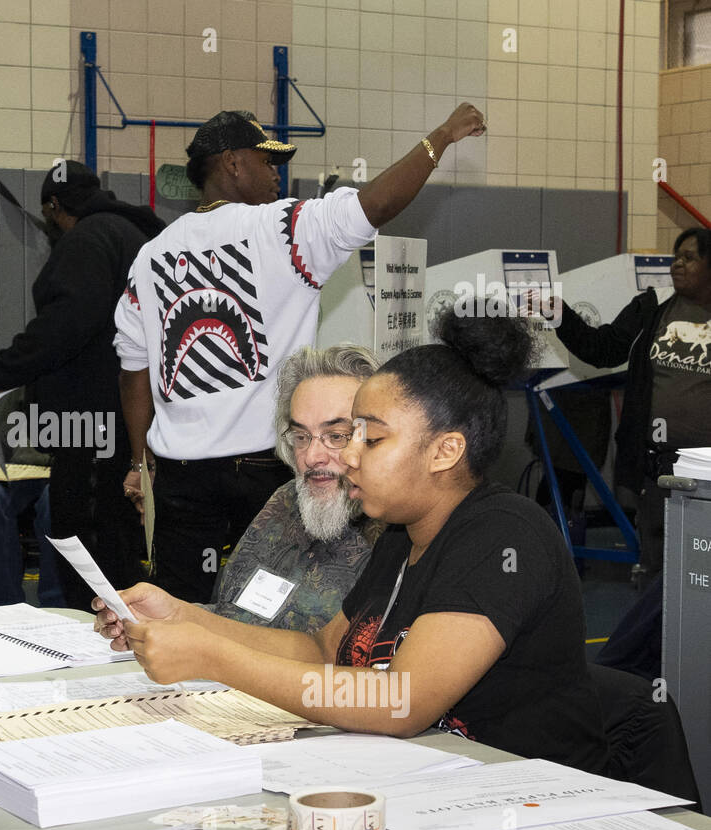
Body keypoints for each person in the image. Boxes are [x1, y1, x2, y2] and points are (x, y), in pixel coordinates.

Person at [96, 306, 609, 773]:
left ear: (446, 450)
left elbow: (399, 701)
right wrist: (188, 617)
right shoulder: (402, 535)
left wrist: (212, 657)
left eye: (372, 438)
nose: (349, 456)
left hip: (519, 804)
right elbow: (322, 650)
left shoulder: (502, 536)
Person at [116, 104, 487, 603]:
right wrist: (439, 138)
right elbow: (374, 204)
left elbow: (134, 371)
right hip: (269, 476)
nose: (276, 173)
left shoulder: (149, 257)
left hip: (182, 477)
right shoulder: (285, 228)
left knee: (181, 614)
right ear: (231, 163)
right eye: (266, 161)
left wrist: (142, 463)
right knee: (277, 612)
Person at [0, 161, 163, 609]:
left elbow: (65, 324)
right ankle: (124, 639)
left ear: (55, 207)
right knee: (120, 540)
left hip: (92, 421)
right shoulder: (138, 236)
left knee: (89, 548)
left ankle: (94, 644)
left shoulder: (86, 241)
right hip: (134, 415)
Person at [548, 227, 711, 580]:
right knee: (657, 564)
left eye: (689, 257)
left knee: (700, 568)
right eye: (676, 257)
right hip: (657, 464)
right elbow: (602, 348)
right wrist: (559, 314)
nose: (677, 265)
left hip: (707, 468)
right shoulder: (652, 308)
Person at [206, 345, 384, 633]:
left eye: (336, 436)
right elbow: (229, 613)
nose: (312, 456)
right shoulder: (287, 501)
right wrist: (166, 616)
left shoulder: (400, 530)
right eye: (301, 436)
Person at [0, 387, 66, 607]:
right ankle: (7, 599)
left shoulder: (63, 389)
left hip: (52, 476)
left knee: (54, 501)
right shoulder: (5, 398)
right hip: (11, 479)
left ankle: (54, 599)